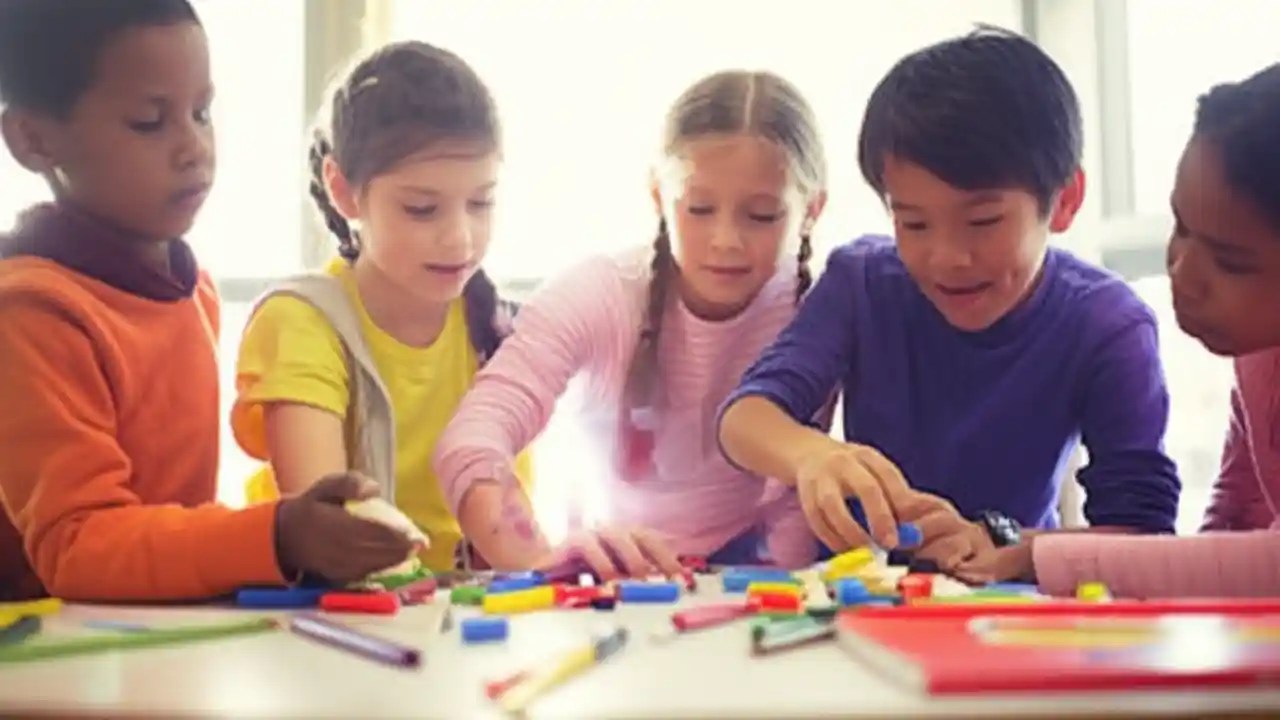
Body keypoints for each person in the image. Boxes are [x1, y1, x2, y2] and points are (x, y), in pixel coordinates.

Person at [717, 27, 1180, 581]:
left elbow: (1142, 534)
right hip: (860, 598)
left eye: (982, 222)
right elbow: (744, 418)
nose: (947, 258)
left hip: (1010, 610)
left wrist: (1006, 542)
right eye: (912, 222)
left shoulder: (1108, 325)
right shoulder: (862, 281)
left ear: (1065, 200)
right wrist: (811, 454)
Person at [0, 0, 413, 601]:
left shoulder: (192, 287)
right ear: (34, 140)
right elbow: (78, 544)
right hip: (51, 664)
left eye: (202, 112)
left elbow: (169, 520)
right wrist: (275, 537)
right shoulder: (32, 314)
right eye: (149, 121)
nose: (194, 147)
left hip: (156, 644)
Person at [434, 70, 828, 578]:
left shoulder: (818, 311)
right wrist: (538, 560)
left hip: (762, 580)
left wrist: (776, 587)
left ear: (812, 211)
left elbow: (797, 503)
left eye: (761, 215)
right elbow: (472, 439)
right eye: (700, 208)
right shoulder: (602, 292)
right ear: (658, 197)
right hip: (622, 570)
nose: (725, 239)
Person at [230, 40, 530, 572]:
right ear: (344, 192)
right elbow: (333, 529)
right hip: (326, 611)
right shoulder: (302, 322)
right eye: (421, 208)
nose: (459, 239)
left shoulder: (497, 329)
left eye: (481, 202)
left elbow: (511, 532)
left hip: (451, 612)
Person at [1031, 63, 1280, 597]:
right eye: (1181, 226)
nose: (1182, 272)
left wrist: (1042, 557)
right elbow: (1237, 510)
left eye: (1232, 263)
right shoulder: (1257, 353)